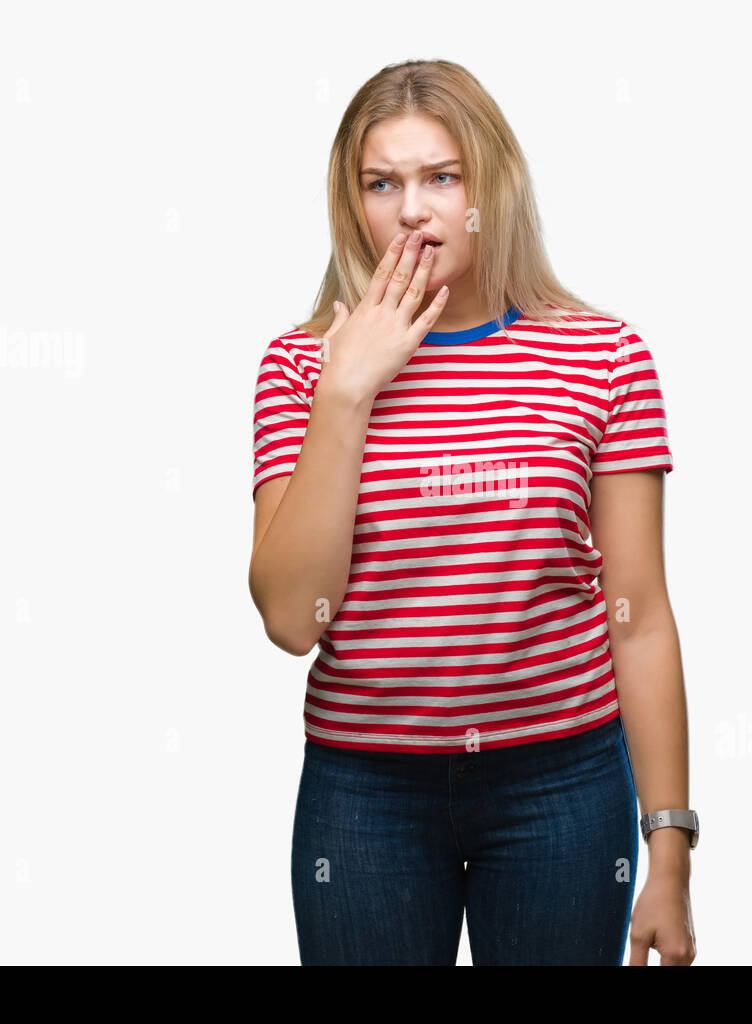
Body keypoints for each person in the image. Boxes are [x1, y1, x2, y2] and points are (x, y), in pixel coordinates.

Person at [248, 59, 698, 965]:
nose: (413, 209)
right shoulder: (300, 367)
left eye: (442, 177)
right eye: (384, 183)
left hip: (562, 787)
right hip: (364, 794)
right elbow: (293, 620)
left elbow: (639, 615)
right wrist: (346, 392)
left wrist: (671, 849)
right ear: (354, 204)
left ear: (491, 187)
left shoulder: (604, 358)